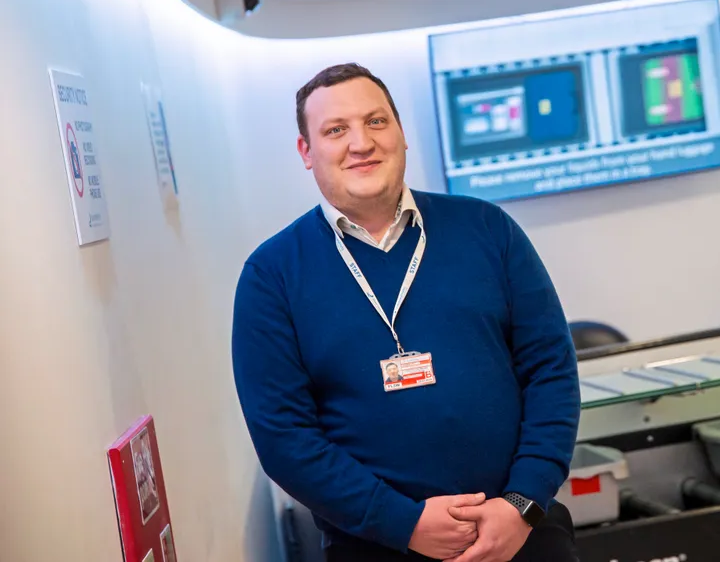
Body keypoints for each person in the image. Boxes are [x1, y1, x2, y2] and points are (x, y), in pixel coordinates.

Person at [232, 63, 581, 562]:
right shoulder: (272, 275)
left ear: (400, 133)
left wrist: (521, 503)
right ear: (306, 152)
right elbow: (283, 438)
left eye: (376, 122)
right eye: (336, 130)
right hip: (375, 546)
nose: (361, 143)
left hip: (521, 534)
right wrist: (405, 524)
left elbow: (552, 373)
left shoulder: (488, 229)